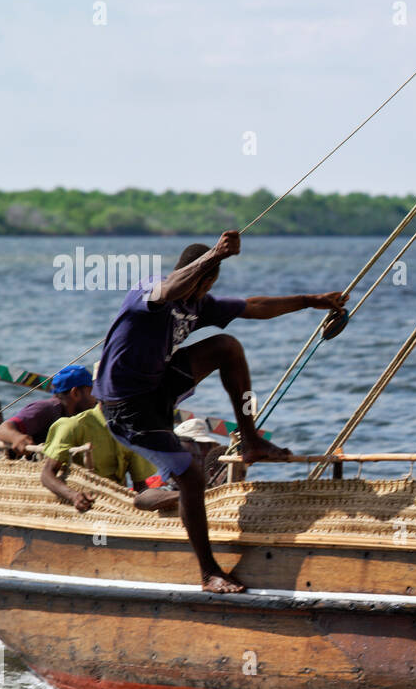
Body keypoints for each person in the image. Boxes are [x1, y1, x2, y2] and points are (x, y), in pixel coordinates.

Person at [91, 230, 346, 594]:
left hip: (158, 388)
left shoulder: (200, 303)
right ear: (195, 273)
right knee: (192, 478)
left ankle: (252, 441)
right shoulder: (148, 291)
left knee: (226, 347)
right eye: (198, 280)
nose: (201, 291)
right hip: (126, 408)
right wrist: (216, 254)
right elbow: (172, 286)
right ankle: (209, 572)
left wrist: (311, 300)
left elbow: (255, 306)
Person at [38, 406, 177, 513]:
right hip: (82, 506)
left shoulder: (134, 431)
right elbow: (47, 475)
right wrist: (73, 496)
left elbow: (140, 487)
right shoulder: (74, 426)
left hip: (116, 508)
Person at [0, 365, 97, 453]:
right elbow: (2, 429)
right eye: (92, 392)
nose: (96, 397)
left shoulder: (73, 415)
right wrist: (16, 437)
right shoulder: (46, 409)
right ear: (75, 393)